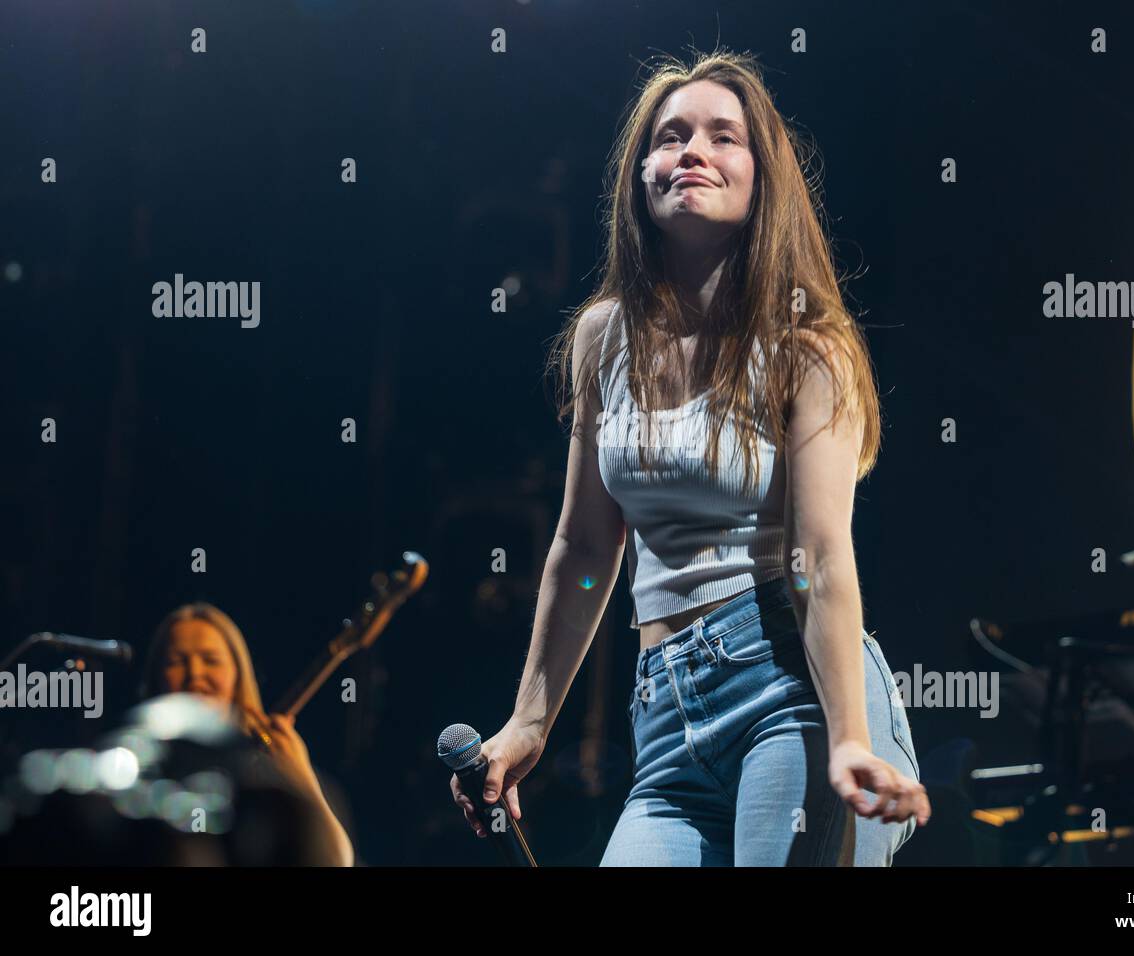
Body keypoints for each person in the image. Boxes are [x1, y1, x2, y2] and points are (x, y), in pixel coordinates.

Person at [450, 49, 930, 865]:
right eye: (671, 137)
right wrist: (528, 722)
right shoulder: (603, 341)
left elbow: (819, 555)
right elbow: (587, 549)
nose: (693, 152)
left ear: (761, 177)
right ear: (641, 176)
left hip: (789, 689)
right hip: (664, 714)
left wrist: (850, 735)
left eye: (722, 137)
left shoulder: (808, 350)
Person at [140, 601, 355, 866]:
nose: (195, 674)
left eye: (211, 660)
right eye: (176, 661)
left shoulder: (264, 778)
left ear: (237, 676)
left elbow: (336, 862)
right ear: (157, 677)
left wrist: (302, 778)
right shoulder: (139, 768)